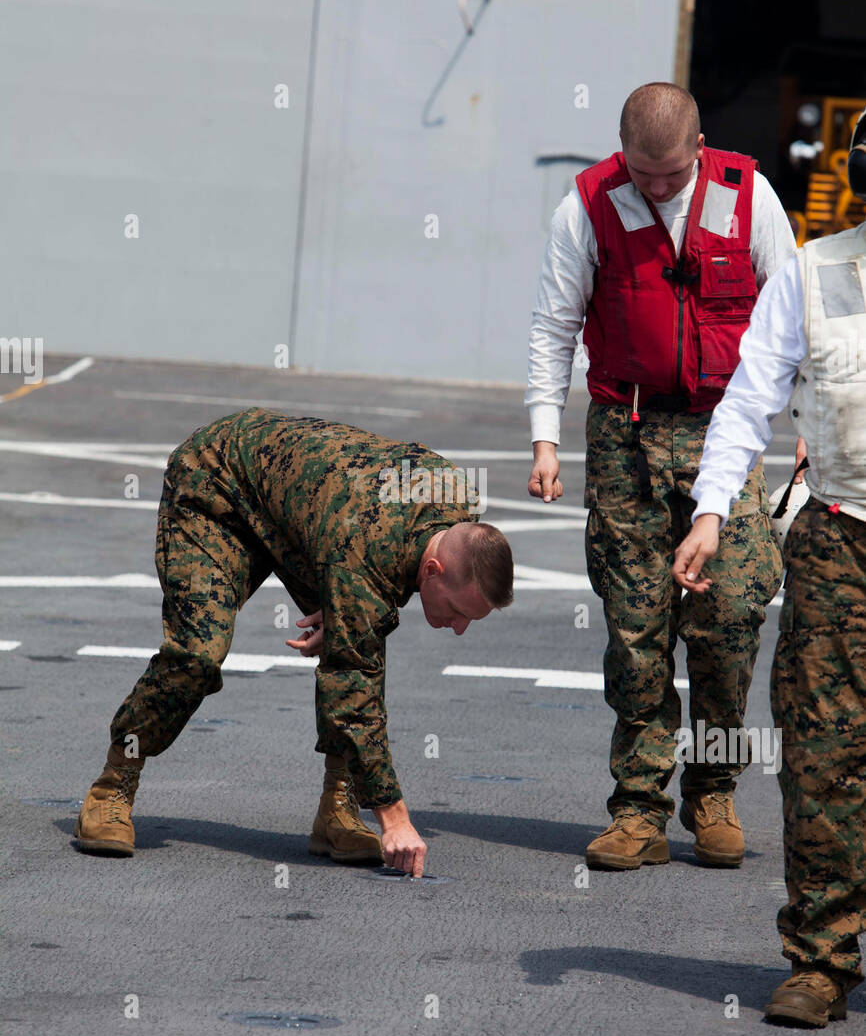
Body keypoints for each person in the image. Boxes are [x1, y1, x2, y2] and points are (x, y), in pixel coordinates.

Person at [526, 82, 796, 870]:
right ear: (622, 154)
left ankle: (712, 791)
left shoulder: (750, 196)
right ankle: (638, 808)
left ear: (701, 149)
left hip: (725, 431)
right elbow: (554, 324)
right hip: (626, 436)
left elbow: (791, 316)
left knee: (730, 618)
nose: (657, 188)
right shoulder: (587, 205)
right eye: (642, 174)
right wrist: (545, 438)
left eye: (672, 175)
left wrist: (808, 431)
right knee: (635, 632)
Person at [75, 409, 513, 878]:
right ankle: (113, 784)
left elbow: (388, 554)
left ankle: (337, 810)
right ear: (434, 571)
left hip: (308, 517)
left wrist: (354, 611)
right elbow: (352, 684)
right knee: (198, 654)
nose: (461, 628)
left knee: (360, 636)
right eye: (461, 613)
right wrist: (394, 818)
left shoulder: (456, 499)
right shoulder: (364, 545)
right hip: (219, 484)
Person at [673, 110, 866, 1027]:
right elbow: (749, 400)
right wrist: (712, 510)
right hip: (838, 540)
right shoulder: (811, 276)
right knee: (823, 756)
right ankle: (823, 957)